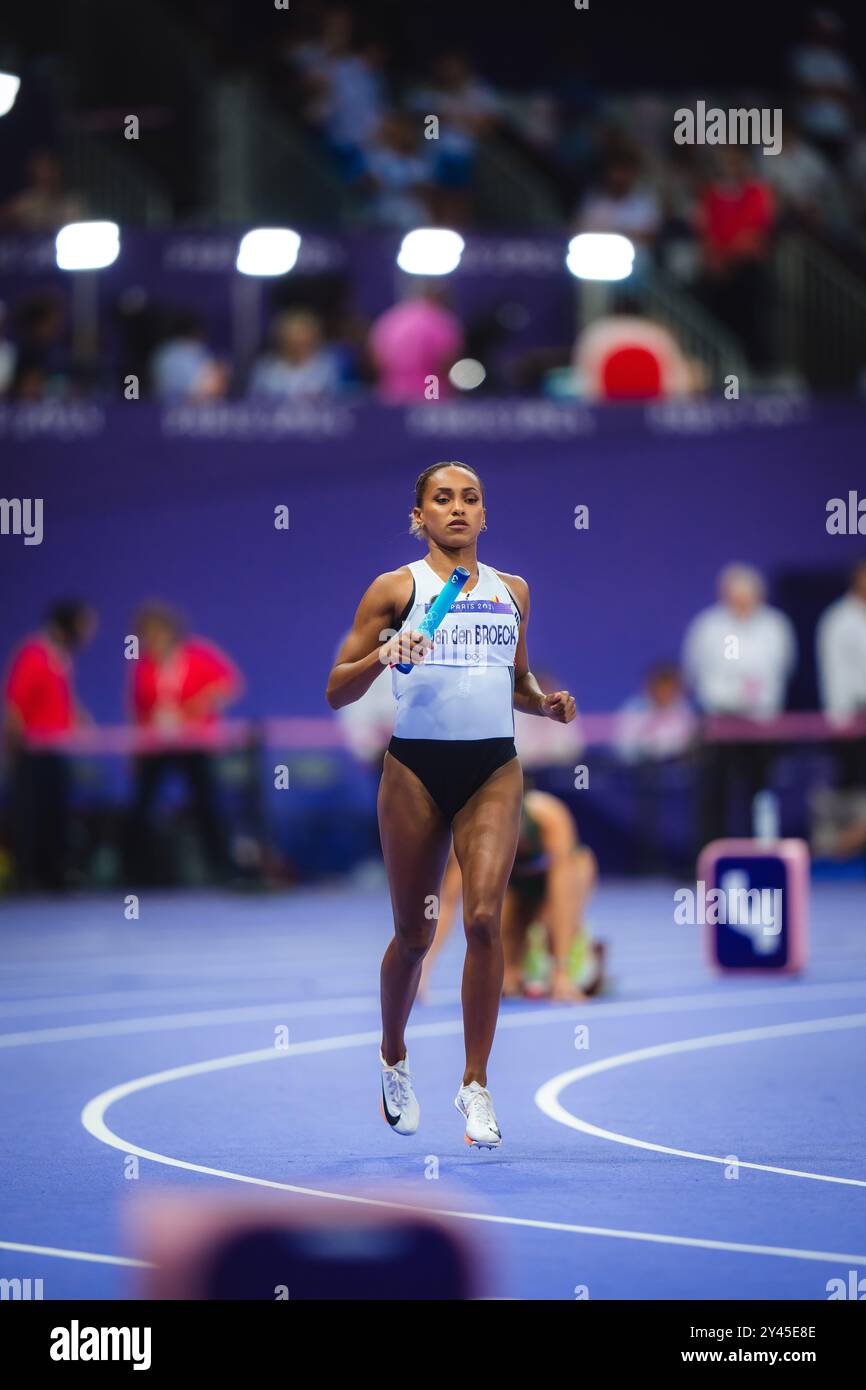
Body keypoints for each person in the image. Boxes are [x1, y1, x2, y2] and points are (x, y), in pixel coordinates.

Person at [326, 461, 576, 1148]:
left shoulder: (513, 590)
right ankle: (393, 1057)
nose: (458, 509)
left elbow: (516, 680)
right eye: (443, 499)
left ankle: (475, 1085)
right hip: (415, 771)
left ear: (485, 515)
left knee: (486, 920)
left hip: (493, 768)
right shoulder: (396, 588)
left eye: (471, 499)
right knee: (412, 936)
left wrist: (544, 704)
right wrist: (384, 655)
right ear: (420, 515)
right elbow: (336, 690)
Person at [420, 790, 603, 1003]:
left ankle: (577, 948)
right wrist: (422, 969)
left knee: (555, 920)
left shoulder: (548, 817)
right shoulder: (472, 834)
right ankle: (525, 962)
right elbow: (449, 901)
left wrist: (561, 972)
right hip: (516, 884)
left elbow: (561, 893)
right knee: (504, 967)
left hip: (567, 875)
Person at [125, 602, 242, 884]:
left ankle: (222, 869)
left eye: (155, 632)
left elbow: (229, 685)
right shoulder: (144, 667)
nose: (150, 639)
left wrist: (194, 708)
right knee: (142, 806)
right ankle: (134, 873)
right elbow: (138, 710)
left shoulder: (198, 654)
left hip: (194, 743)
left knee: (207, 806)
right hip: (156, 746)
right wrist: (136, 751)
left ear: (169, 630)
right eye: (145, 634)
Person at [682, 564, 797, 846]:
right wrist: (726, 699)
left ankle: (762, 853)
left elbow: (784, 667)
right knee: (713, 793)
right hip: (719, 724)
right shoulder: (708, 625)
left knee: (761, 792)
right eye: (734, 595)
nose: (740, 601)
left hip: (761, 726)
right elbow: (693, 670)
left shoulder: (775, 625)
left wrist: (754, 701)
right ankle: (709, 857)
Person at [4, 599, 97, 889]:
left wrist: (80, 719)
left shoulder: (61, 657)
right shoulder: (34, 652)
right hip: (32, 751)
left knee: (55, 815)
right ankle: (27, 877)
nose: (88, 633)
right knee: (31, 815)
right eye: (83, 625)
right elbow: (15, 704)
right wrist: (12, 750)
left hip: (55, 749)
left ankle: (54, 875)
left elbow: (60, 699)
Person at [816, 559, 866, 853]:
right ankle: (844, 849)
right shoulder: (837, 619)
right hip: (853, 715)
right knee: (850, 786)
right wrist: (839, 716)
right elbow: (832, 670)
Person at [368, 285, 463, 404]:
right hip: (431, 394)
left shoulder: (389, 319)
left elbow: (376, 360)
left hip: (391, 395)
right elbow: (446, 363)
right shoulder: (441, 321)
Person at [247, 310, 340, 400]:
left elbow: (339, 401)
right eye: (292, 338)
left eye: (303, 337)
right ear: (282, 339)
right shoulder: (266, 367)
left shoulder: (328, 366)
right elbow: (254, 403)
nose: (297, 344)